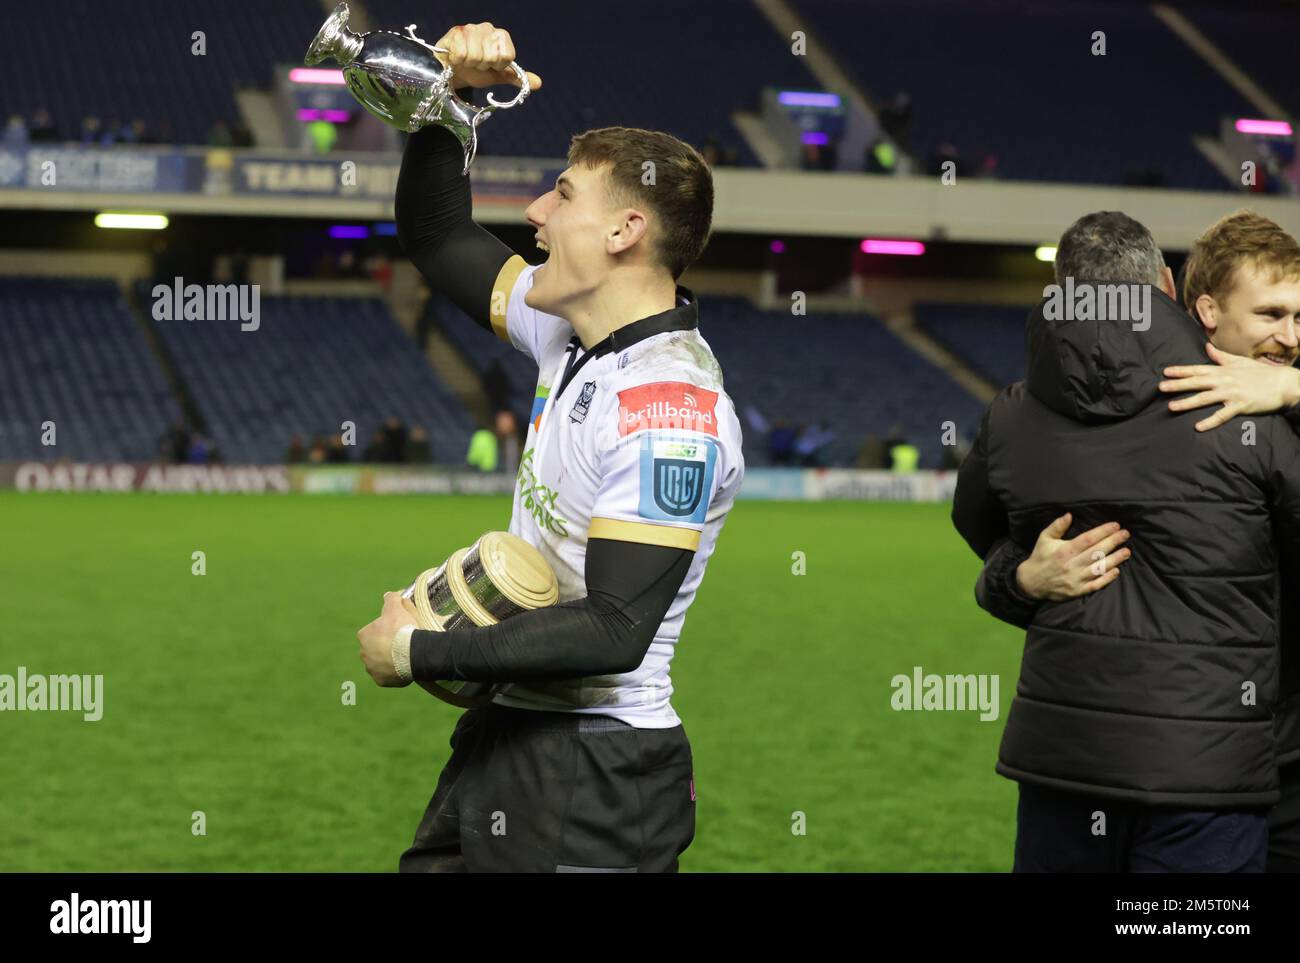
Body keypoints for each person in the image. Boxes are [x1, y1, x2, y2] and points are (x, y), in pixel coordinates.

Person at [355, 20, 744, 873]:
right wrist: (448, 101)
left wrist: (420, 649)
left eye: (562, 194)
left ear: (624, 231)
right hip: (514, 731)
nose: (534, 211)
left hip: (596, 770)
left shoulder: (670, 406)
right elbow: (436, 235)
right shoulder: (565, 329)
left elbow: (612, 629)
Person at [953, 210, 1300, 873]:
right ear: (1171, 289)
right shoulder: (1248, 419)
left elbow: (978, 529)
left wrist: (1018, 579)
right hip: (1214, 769)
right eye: (1272, 316)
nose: (1287, 338)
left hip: (1062, 764)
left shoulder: (1010, 418)